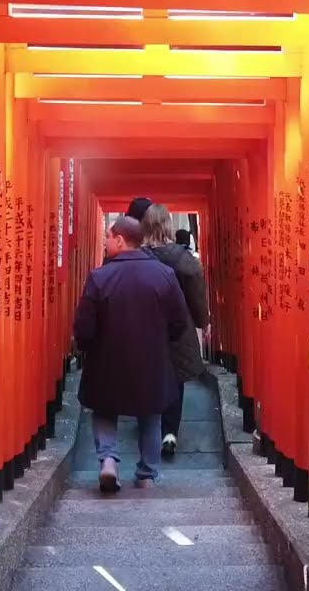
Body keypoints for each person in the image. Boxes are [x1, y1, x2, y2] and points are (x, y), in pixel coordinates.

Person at [74, 216, 189, 491]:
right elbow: (179, 321)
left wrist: (86, 346)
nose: (105, 241)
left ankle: (109, 460)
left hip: (106, 359)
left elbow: (84, 325)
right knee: (150, 414)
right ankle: (147, 474)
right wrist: (163, 342)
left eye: (107, 236)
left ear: (120, 240)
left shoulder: (100, 276)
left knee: (103, 410)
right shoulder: (164, 275)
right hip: (152, 359)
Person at [141, 204, 210, 458]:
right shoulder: (183, 259)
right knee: (175, 380)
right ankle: (170, 433)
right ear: (168, 225)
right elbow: (197, 296)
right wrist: (203, 321)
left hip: (144, 330)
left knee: (147, 379)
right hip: (178, 329)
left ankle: (149, 429)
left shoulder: (138, 257)